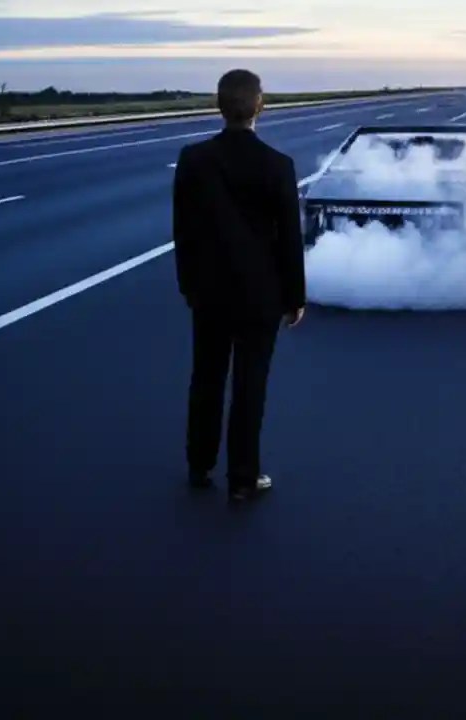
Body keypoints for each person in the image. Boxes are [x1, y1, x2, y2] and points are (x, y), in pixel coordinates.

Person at [172, 68, 307, 502]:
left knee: (206, 378)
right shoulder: (278, 165)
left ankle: (198, 465)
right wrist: (295, 297)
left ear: (219, 106)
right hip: (260, 295)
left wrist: (188, 285)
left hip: (209, 292)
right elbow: (290, 238)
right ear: (259, 106)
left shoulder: (193, 160)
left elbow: (183, 231)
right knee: (251, 386)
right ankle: (244, 479)